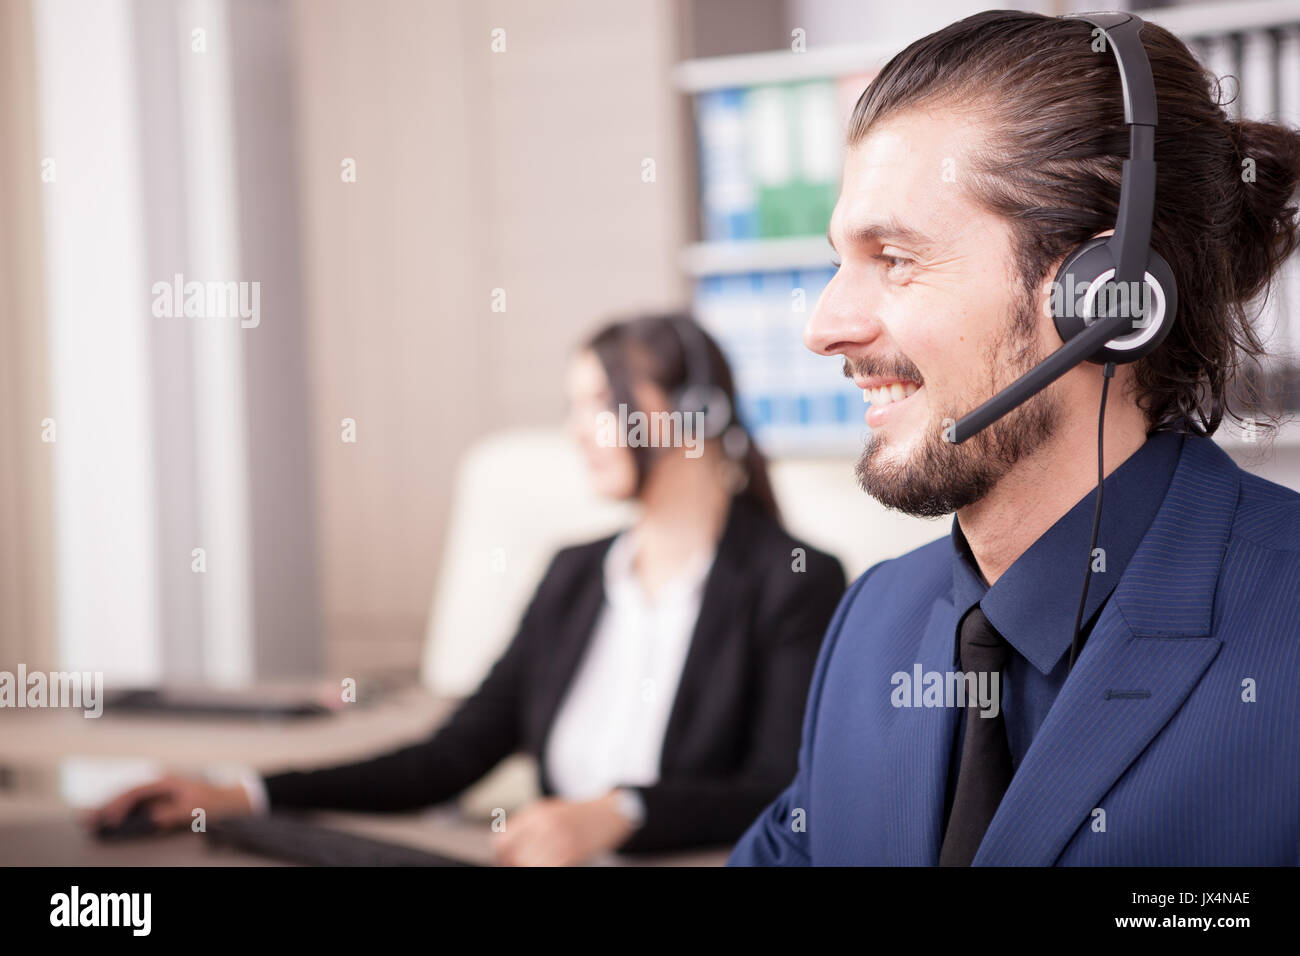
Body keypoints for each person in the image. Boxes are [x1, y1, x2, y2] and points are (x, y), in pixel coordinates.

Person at [729, 10, 1300, 866]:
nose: (825, 327)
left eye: (894, 257)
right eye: (840, 260)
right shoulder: (872, 623)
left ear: (1102, 296)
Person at [91, 313, 845, 866]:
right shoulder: (574, 575)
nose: (578, 431)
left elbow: (783, 788)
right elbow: (450, 756)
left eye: (600, 403)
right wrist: (242, 793)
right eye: (572, 407)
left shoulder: (791, 582)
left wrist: (620, 814)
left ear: (690, 415)